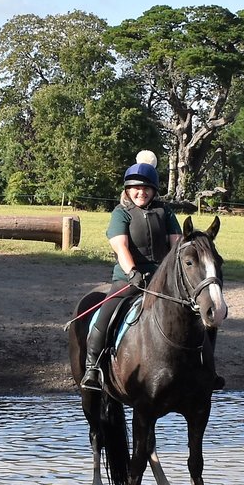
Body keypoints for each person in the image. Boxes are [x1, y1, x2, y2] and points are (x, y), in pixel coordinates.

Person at [79, 155, 184, 394]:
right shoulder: (121, 213)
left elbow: (177, 244)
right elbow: (121, 246)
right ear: (127, 190)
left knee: (197, 313)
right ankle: (93, 367)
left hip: (163, 280)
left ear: (154, 190)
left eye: (146, 188)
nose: (141, 192)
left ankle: (206, 368)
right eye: (136, 188)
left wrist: (172, 274)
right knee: (105, 315)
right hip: (129, 279)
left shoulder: (165, 212)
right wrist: (133, 272)